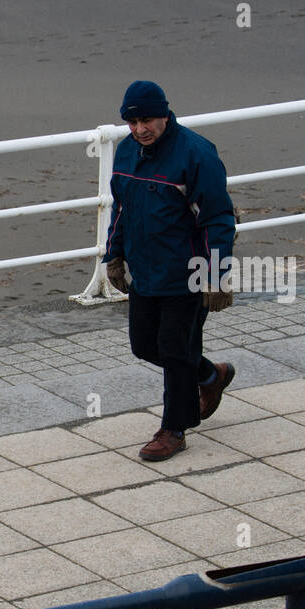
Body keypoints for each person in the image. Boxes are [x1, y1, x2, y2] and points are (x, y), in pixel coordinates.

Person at [103, 81, 237, 461]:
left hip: (188, 272)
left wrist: (216, 275)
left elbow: (218, 218)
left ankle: (174, 429)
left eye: (146, 119)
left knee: (176, 352)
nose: (139, 129)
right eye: (131, 122)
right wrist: (114, 255)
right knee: (145, 346)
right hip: (146, 270)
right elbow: (121, 209)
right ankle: (211, 376)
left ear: (165, 113)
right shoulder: (128, 152)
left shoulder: (196, 154)